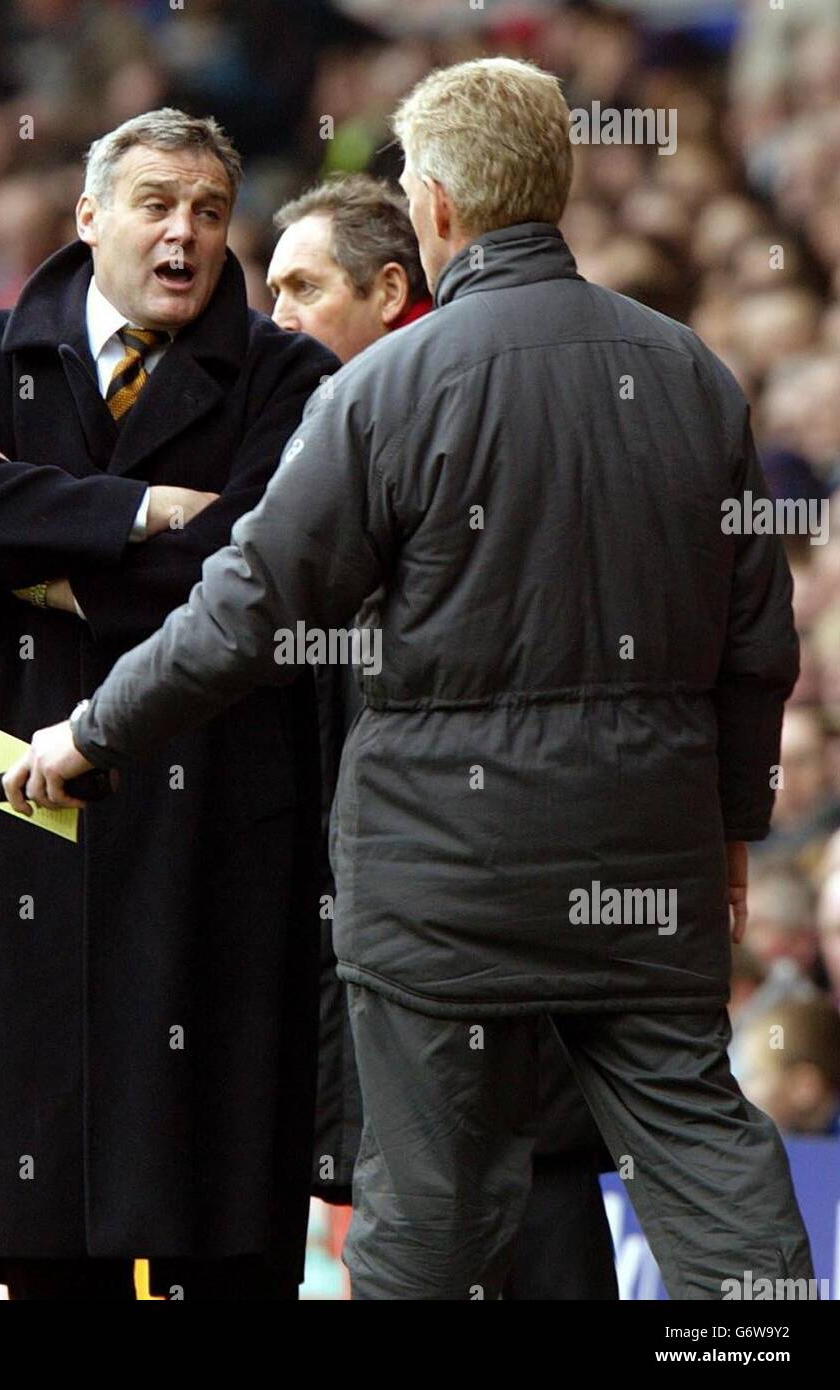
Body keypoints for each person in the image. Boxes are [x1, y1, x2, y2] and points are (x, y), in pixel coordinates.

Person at [8, 59, 813, 1300]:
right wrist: (730, 830)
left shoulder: (386, 386)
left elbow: (248, 607)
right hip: (645, 857)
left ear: (432, 208)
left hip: (446, 880)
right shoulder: (691, 375)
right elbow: (760, 639)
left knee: (427, 1213)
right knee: (703, 1153)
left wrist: (91, 730)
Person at [0, 108, 337, 1301]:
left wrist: (47, 555)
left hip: (214, 789)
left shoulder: (292, 374)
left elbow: (246, 570)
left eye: (207, 210)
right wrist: (142, 511)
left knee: (207, 1179)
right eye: (155, 204)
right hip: (27, 792)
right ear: (89, 216)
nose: (184, 234)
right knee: (42, 1185)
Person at [268, 171, 616, 1298]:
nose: (277, 316)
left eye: (301, 287)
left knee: (500, 1174)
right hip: (453, 873)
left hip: (465, 875)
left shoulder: (412, 406)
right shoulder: (347, 416)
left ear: (388, 289)